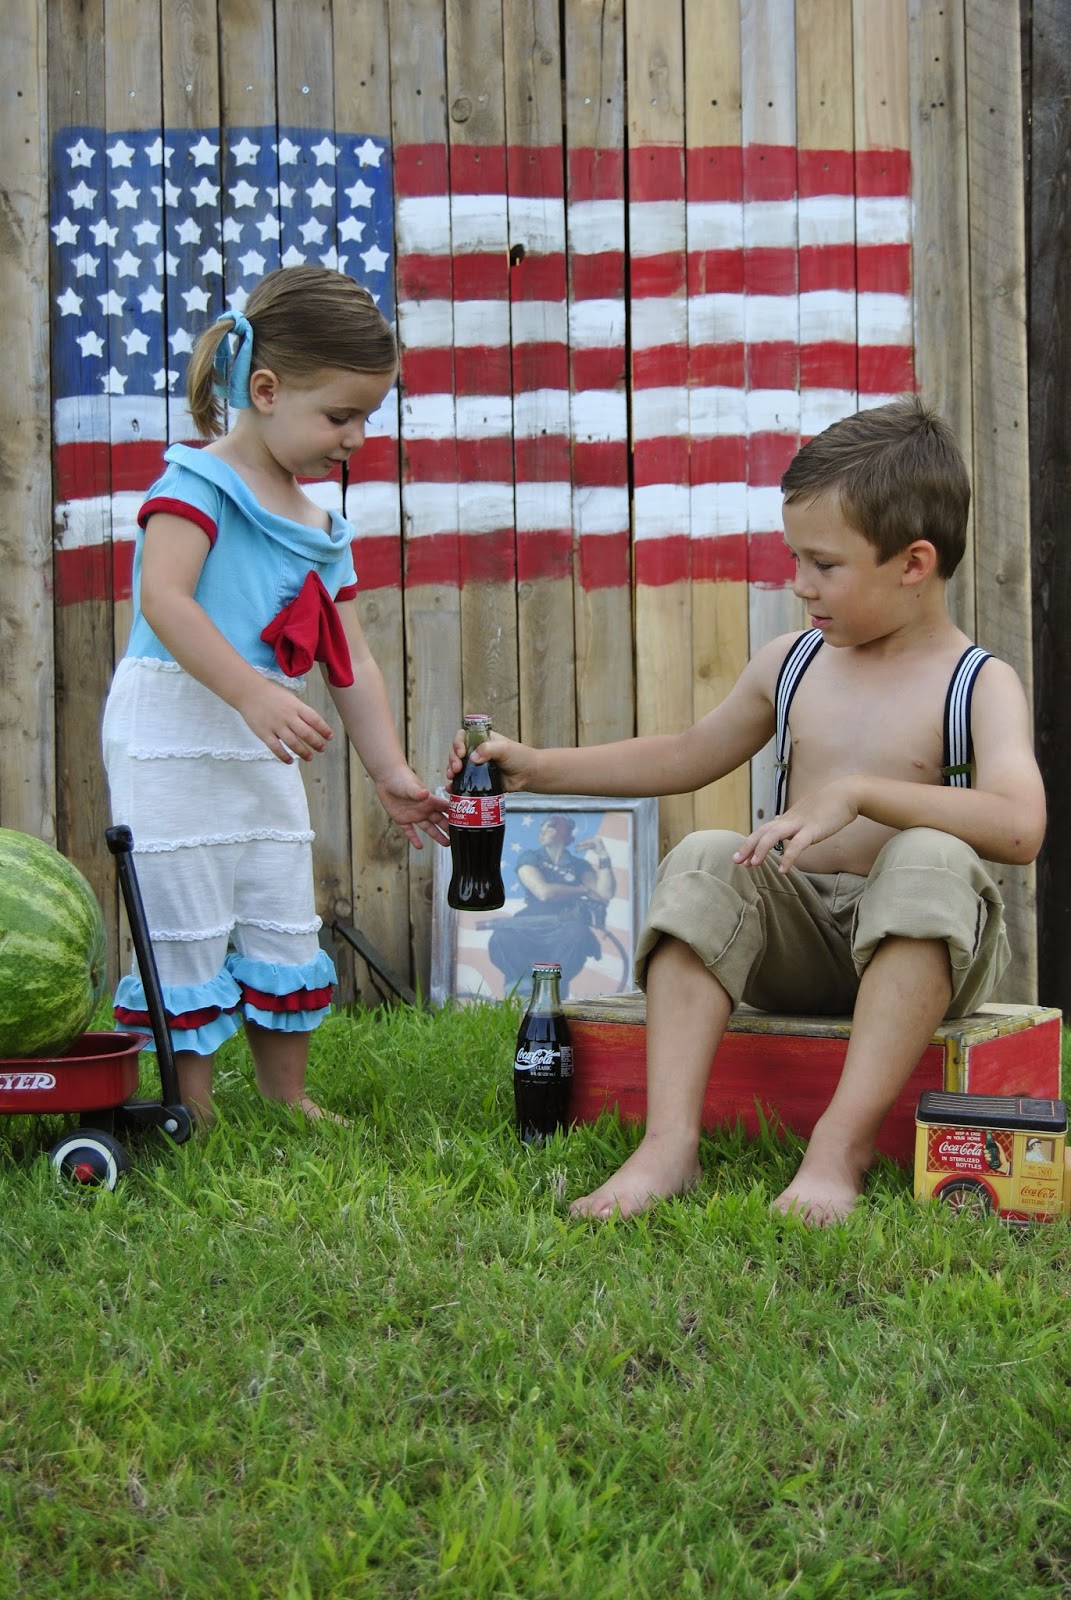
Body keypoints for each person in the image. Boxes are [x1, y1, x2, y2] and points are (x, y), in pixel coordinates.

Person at [448, 396, 1046, 1225]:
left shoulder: (976, 682)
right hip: (797, 941)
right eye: (794, 558)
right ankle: (667, 1146)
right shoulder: (793, 663)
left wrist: (863, 793)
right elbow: (682, 755)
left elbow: (1020, 826)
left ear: (912, 564)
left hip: (927, 952)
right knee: (704, 853)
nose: (799, 584)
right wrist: (535, 765)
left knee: (929, 853)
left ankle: (838, 1148)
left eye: (824, 565)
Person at [103, 265, 449, 1124]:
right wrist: (251, 696)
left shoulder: (319, 527)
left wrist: (388, 772)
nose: (359, 436)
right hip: (174, 725)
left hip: (257, 739)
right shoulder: (194, 487)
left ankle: (285, 1093)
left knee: (276, 898)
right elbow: (166, 602)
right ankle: (191, 1103)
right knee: (183, 906)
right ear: (265, 388)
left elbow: (352, 662)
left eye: (368, 415)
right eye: (341, 414)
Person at [487, 814, 615, 995]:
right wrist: (583, 889)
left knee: (577, 936)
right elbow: (544, 892)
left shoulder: (579, 865)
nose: (543, 831)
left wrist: (603, 855)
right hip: (530, 923)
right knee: (503, 937)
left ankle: (550, 994)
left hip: (566, 926)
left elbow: (603, 894)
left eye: (550, 827)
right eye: (542, 828)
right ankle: (522, 991)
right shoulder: (531, 857)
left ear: (562, 832)